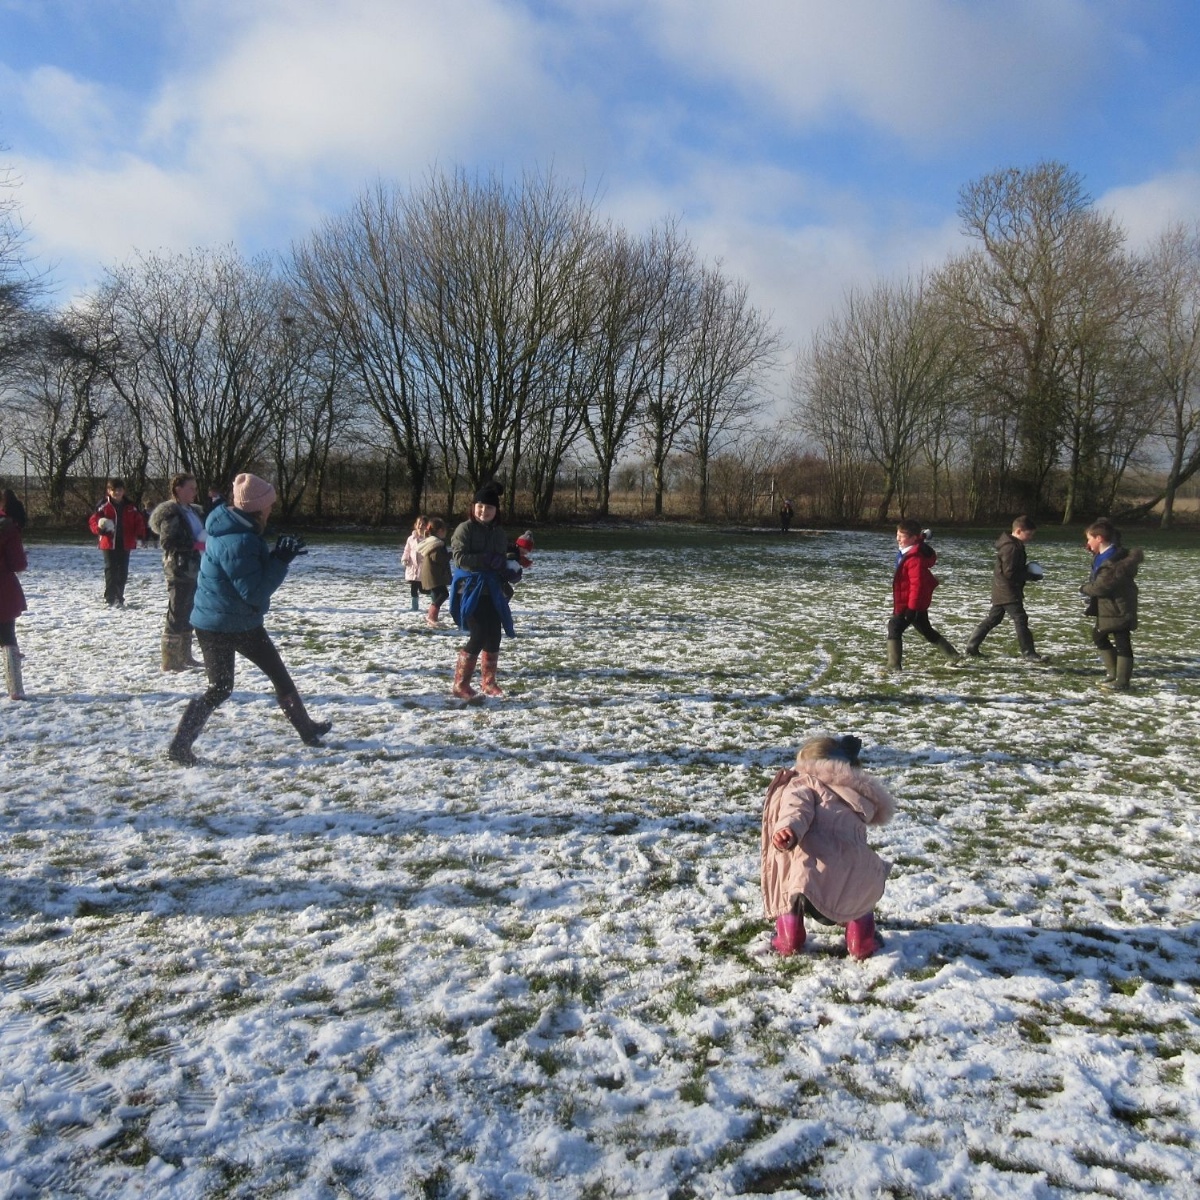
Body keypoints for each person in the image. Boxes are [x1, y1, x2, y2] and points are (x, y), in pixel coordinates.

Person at [166, 472, 331, 765]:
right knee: (222, 687)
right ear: (257, 507)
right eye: (268, 504)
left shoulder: (232, 527)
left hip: (226, 620)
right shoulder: (239, 540)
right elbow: (252, 591)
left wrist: (276, 555)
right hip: (225, 625)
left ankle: (307, 730)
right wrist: (279, 562)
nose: (271, 509)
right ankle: (180, 746)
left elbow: (246, 571)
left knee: (273, 676)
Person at [761, 735, 895, 960]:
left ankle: (789, 938)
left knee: (791, 884)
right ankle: (861, 942)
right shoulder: (854, 794)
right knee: (860, 901)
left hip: (813, 870)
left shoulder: (803, 784)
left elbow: (796, 810)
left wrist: (787, 829)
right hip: (857, 870)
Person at [449, 483, 519, 699]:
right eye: (480, 506)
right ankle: (460, 685)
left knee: (494, 636)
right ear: (474, 507)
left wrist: (512, 568)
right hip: (469, 591)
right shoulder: (465, 529)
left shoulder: (498, 533)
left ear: (496, 511)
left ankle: (488, 683)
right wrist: (485, 560)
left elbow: (502, 559)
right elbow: (459, 558)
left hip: (492, 590)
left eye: (489, 508)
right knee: (478, 635)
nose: (484, 511)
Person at [964, 515, 1046, 662]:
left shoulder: (1011, 545)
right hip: (1007, 590)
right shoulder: (1012, 548)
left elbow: (1011, 568)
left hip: (1001, 589)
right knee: (1020, 618)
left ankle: (972, 647)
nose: (1031, 537)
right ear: (1019, 530)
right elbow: (1010, 572)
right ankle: (1029, 653)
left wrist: (1025, 570)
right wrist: (1030, 575)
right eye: (1029, 534)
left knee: (993, 619)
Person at [149, 472, 207, 672]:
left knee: (189, 611)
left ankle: (186, 656)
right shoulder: (171, 513)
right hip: (179, 569)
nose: (195, 492)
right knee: (177, 611)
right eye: (191, 488)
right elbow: (167, 542)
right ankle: (171, 660)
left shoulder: (194, 511)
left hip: (196, 568)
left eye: (195, 488)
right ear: (178, 489)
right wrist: (195, 544)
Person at [887, 520, 962, 670]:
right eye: (897, 535)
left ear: (913, 538)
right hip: (912, 602)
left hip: (911, 603)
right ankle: (953, 655)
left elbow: (917, 585)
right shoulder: (910, 551)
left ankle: (893, 666)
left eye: (902, 536)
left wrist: (912, 608)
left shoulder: (915, 558)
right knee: (926, 630)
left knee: (894, 627)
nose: (898, 539)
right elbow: (920, 541)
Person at [1080, 517, 1143, 691]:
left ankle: (1122, 681)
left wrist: (1085, 589)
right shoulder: (1103, 556)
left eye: (1089, 538)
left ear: (1099, 538)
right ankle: (1113, 674)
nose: (1088, 542)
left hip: (1119, 605)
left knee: (1121, 639)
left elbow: (1102, 586)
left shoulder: (1113, 561)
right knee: (1100, 636)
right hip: (1109, 605)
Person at [88, 477, 147, 607]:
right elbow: (93, 520)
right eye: (114, 490)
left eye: (119, 490)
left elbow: (139, 522)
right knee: (111, 569)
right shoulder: (103, 505)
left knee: (123, 571)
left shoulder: (131, 506)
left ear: (123, 491)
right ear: (109, 491)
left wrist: (141, 536)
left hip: (126, 542)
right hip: (108, 542)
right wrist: (99, 530)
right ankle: (109, 597)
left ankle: (119, 597)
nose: (117, 493)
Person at [0, 492, 28, 700]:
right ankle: (15, 687)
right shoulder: (6, 525)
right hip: (2, 588)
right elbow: (18, 563)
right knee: (7, 637)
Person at [417, 517, 452, 627]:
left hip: (432, 574)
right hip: (434, 575)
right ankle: (431, 616)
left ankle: (433, 618)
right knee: (443, 594)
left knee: (437, 595)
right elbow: (438, 559)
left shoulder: (431, 542)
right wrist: (450, 555)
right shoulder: (437, 544)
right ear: (440, 531)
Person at [401, 515, 430, 612]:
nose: (420, 526)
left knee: (423, 589)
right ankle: (414, 607)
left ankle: (435, 598)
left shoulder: (428, 538)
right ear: (415, 525)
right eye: (419, 524)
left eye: (423, 524)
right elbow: (407, 550)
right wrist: (405, 559)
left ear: (427, 526)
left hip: (423, 567)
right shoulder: (410, 539)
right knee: (413, 589)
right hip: (413, 567)